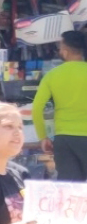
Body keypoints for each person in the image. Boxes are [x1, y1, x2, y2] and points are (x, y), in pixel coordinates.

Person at [33, 28, 87, 180]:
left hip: (64, 140)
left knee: (70, 190)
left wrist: (43, 137)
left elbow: (37, 108)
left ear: (65, 50)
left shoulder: (52, 76)